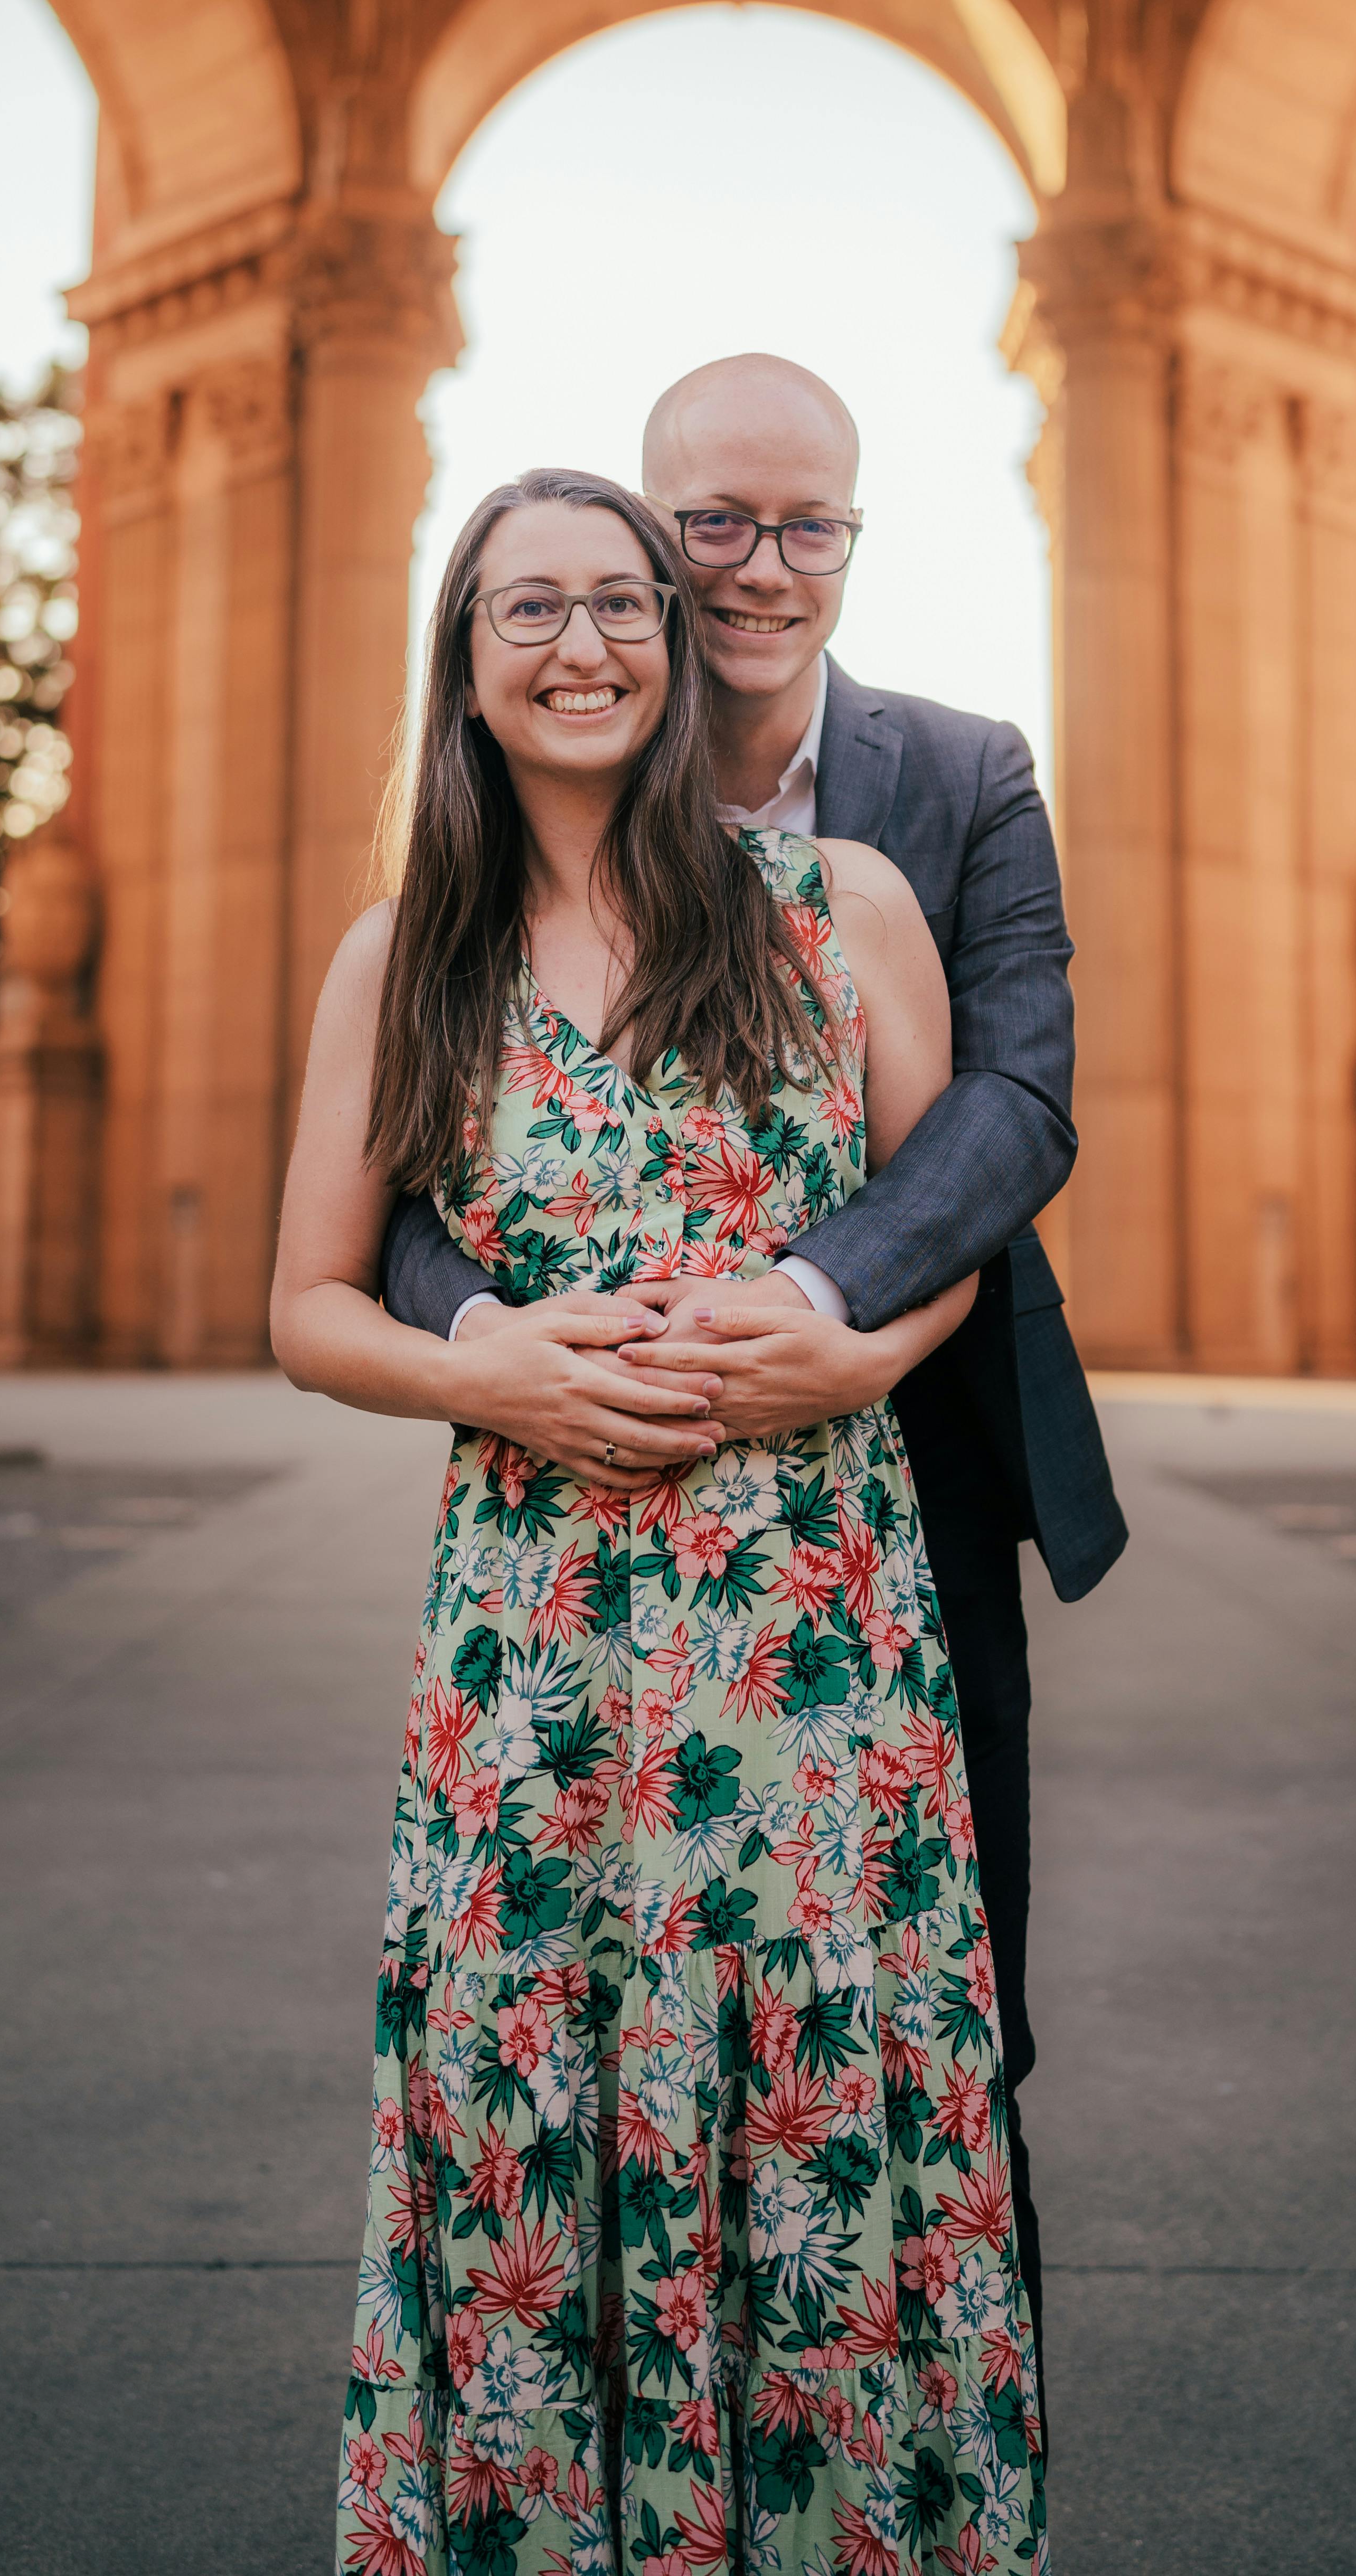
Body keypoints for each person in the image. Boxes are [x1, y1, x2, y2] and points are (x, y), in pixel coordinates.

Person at [274, 467, 1049, 2576]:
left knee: (807, 2087)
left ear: (676, 637)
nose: (585, 645)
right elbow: (310, 1303)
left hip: (809, 1622)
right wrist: (485, 1368)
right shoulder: (402, 957)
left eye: (622, 602)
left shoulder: (845, 906)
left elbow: (946, 1224)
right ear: (467, 657)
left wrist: (859, 1357)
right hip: (535, 1633)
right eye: (528, 608)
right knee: (535, 2084)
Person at [381, 356, 1126, 2402]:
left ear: (855, 539)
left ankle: (926, 2459)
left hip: (906, 1481)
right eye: (709, 523)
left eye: (807, 525)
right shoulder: (549, 760)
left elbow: (1016, 1103)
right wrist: (491, 1342)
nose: (757, 568)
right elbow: (419, 1146)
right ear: (642, 530)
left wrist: (824, 1308)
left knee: (932, 2014)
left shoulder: (955, 779)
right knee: (576, 2032)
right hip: (578, 1507)